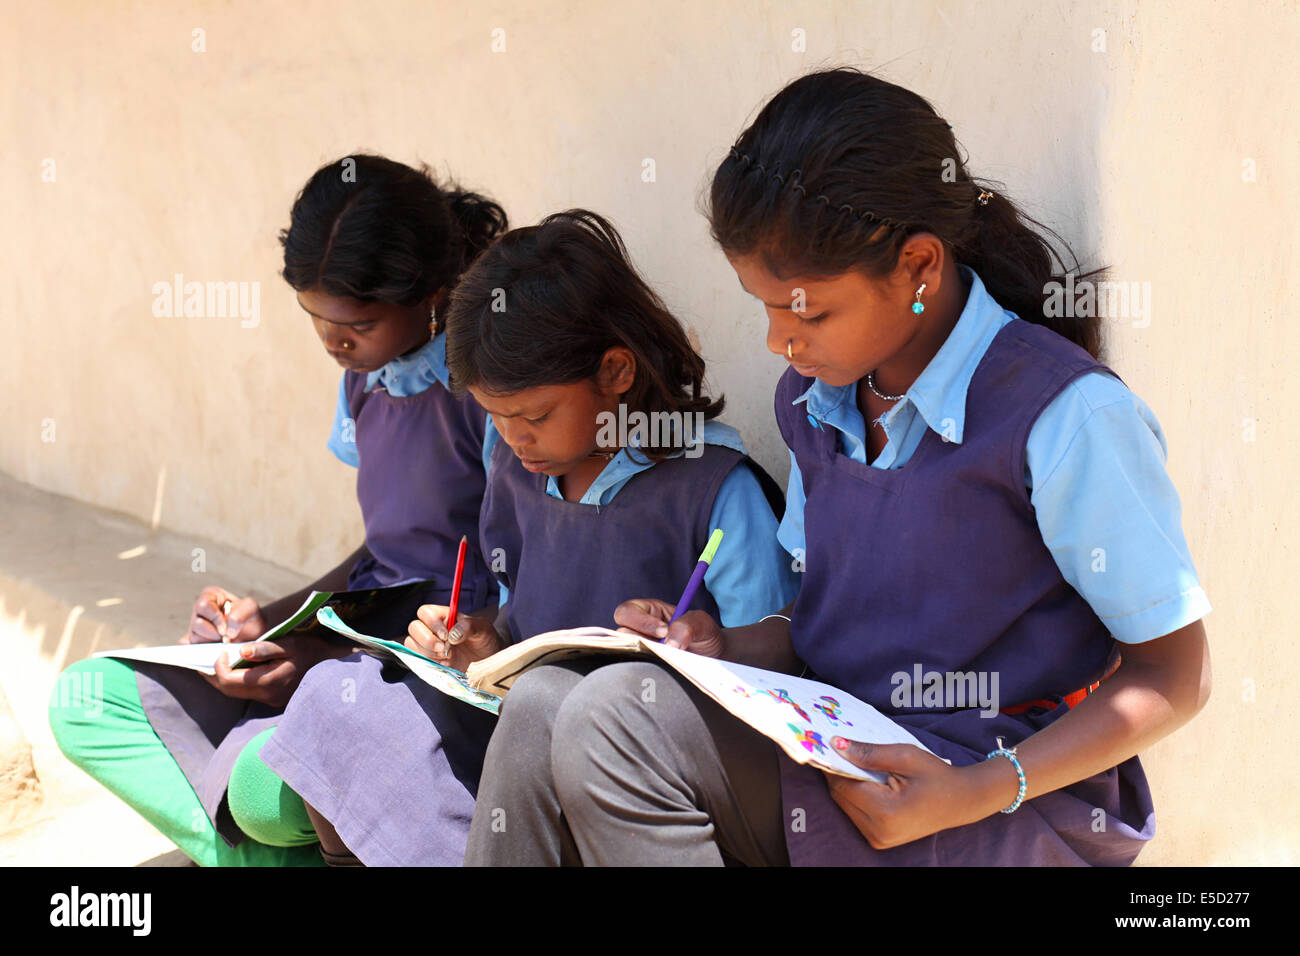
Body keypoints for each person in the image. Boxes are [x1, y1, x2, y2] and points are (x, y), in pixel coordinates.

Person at [464, 69, 1212, 867]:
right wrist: (713, 644)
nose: (779, 341)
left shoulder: (1064, 414)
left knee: (615, 723)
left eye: (807, 311)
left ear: (919, 267)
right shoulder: (814, 405)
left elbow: (1175, 677)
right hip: (842, 751)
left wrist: (976, 788)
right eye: (765, 307)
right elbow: (815, 625)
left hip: (989, 795)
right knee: (547, 701)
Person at [261, 209, 800, 865]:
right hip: (515, 751)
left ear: (616, 372)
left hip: (637, 782)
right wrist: (484, 642)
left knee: (549, 706)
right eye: (497, 418)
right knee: (335, 705)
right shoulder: (517, 470)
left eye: (536, 416)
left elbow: (773, 685)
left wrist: (697, 653)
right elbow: (521, 616)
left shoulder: (713, 488)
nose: (516, 439)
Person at [48, 154, 507, 865]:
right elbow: (384, 551)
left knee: (266, 789)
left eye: (355, 323)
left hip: (435, 665)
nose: (332, 343)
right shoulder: (365, 382)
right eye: (314, 318)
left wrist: (314, 662)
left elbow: (486, 590)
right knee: (88, 697)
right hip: (348, 637)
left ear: (435, 295)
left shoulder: (486, 398)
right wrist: (268, 622)